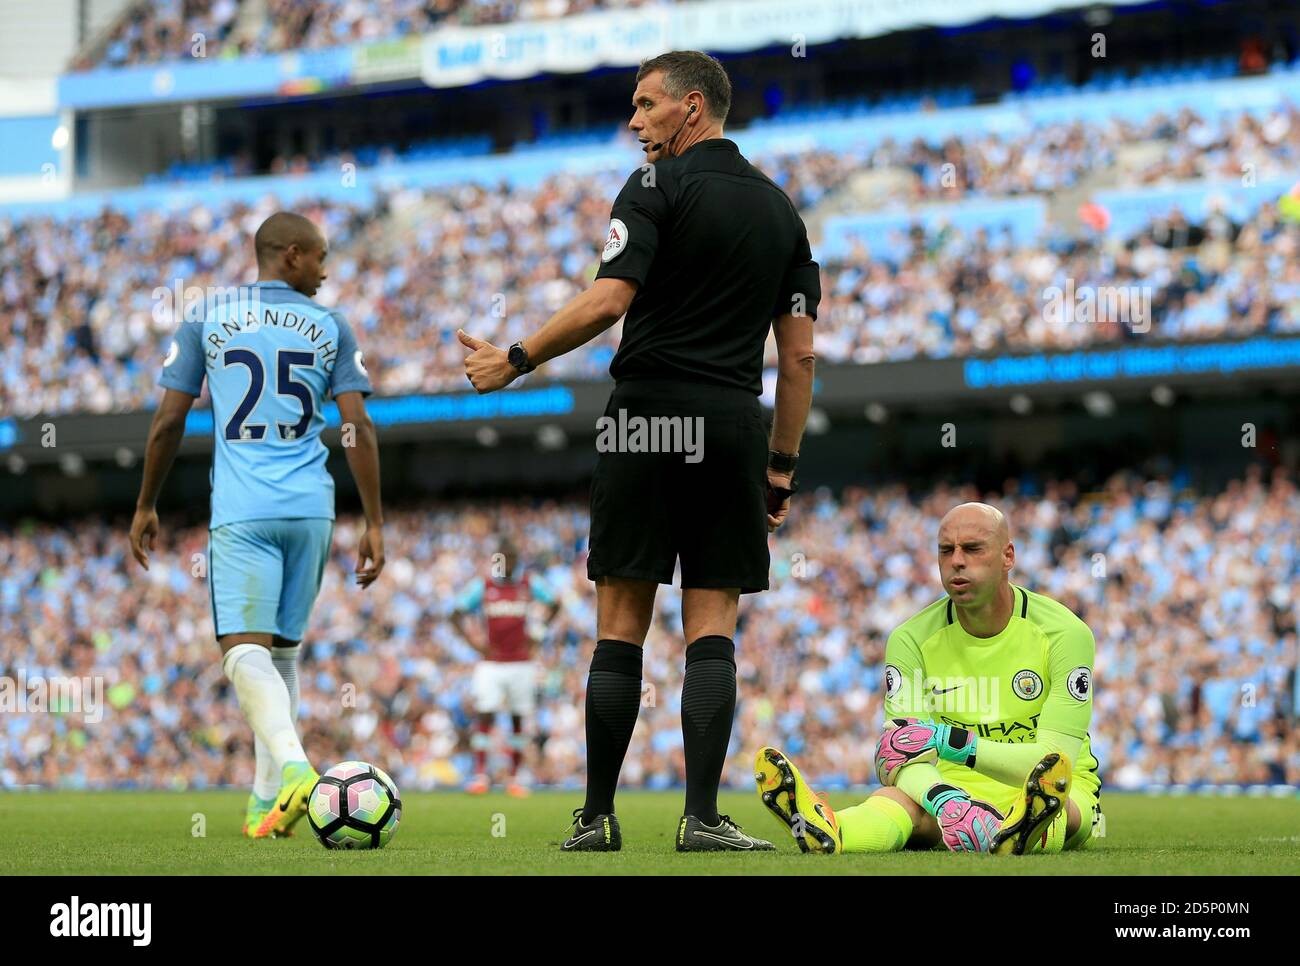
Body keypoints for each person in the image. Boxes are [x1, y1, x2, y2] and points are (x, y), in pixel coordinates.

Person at [460, 50, 821, 851]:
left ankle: (596, 818)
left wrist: (515, 359)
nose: (633, 121)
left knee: (620, 624)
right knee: (712, 625)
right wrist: (781, 467)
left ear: (692, 108)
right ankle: (701, 819)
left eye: (645, 105)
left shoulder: (655, 187)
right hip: (731, 424)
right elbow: (797, 359)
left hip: (645, 418)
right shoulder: (782, 213)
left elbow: (608, 299)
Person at [129, 211, 385, 838]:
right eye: (321, 257)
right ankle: (265, 805)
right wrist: (375, 520)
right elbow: (357, 427)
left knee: (243, 652)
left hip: (245, 511)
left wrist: (145, 503)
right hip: (312, 509)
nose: (326, 271)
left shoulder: (206, 316)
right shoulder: (330, 324)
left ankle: (296, 770)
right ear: (290, 255)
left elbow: (166, 423)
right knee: (284, 656)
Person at [755, 503, 1103, 855]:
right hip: (952, 792)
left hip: (1046, 787)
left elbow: (1054, 761)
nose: (957, 561)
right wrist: (945, 800)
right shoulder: (910, 639)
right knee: (892, 798)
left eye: (972, 548)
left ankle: (1024, 825)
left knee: (1056, 800)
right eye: (946, 550)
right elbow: (898, 757)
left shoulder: (1066, 634)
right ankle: (830, 828)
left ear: (1007, 556)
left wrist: (951, 742)